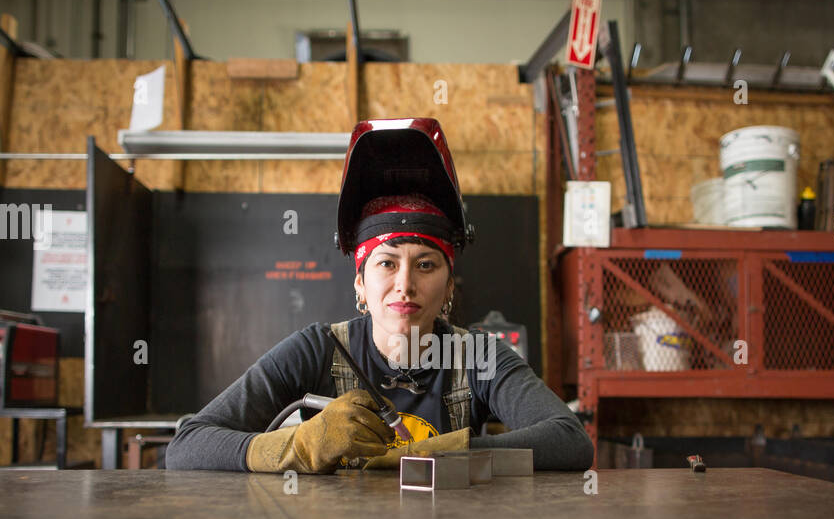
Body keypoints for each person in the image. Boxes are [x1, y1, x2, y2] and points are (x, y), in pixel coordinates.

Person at [165, 117, 594, 474]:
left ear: (448, 286)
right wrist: (296, 446)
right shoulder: (316, 350)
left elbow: (570, 441)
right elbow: (187, 445)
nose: (404, 284)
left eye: (425, 265)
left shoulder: (477, 356)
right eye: (386, 263)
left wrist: (433, 455)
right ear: (360, 284)